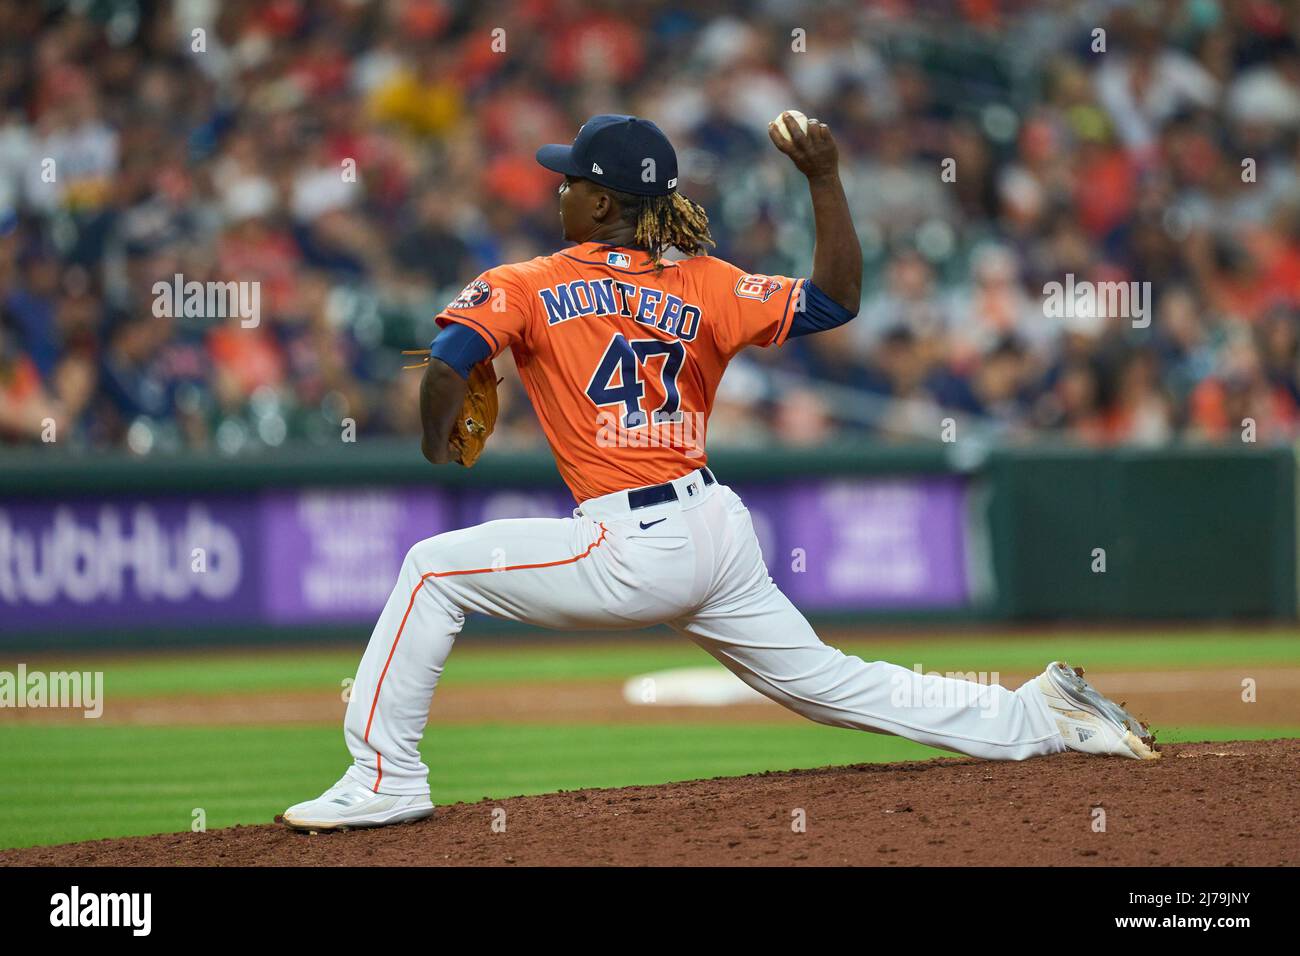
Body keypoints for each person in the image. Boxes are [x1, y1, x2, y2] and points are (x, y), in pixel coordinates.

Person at [283, 114, 1157, 831]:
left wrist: (439, 437)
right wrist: (822, 178)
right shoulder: (707, 281)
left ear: (601, 201)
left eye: (571, 179)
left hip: (632, 542)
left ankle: (387, 776)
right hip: (715, 530)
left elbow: (446, 364)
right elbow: (835, 299)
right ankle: (1038, 715)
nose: (560, 189)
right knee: (828, 683)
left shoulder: (528, 280)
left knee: (432, 569)